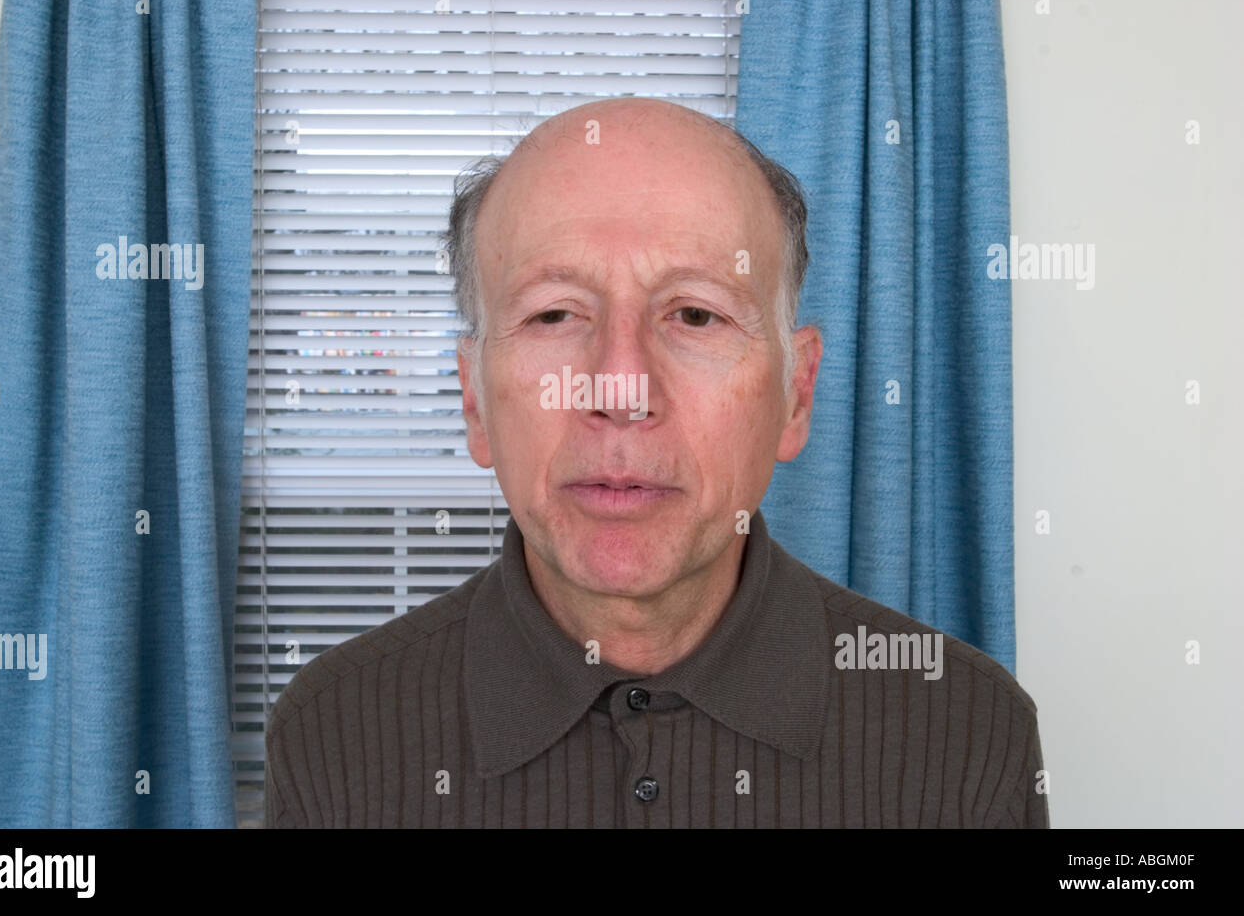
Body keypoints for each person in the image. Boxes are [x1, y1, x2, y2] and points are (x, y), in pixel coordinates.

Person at [264, 97, 1048, 828]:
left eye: (696, 314)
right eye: (555, 314)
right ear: (474, 399)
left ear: (796, 393)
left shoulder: (970, 734)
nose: (619, 388)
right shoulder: (331, 733)